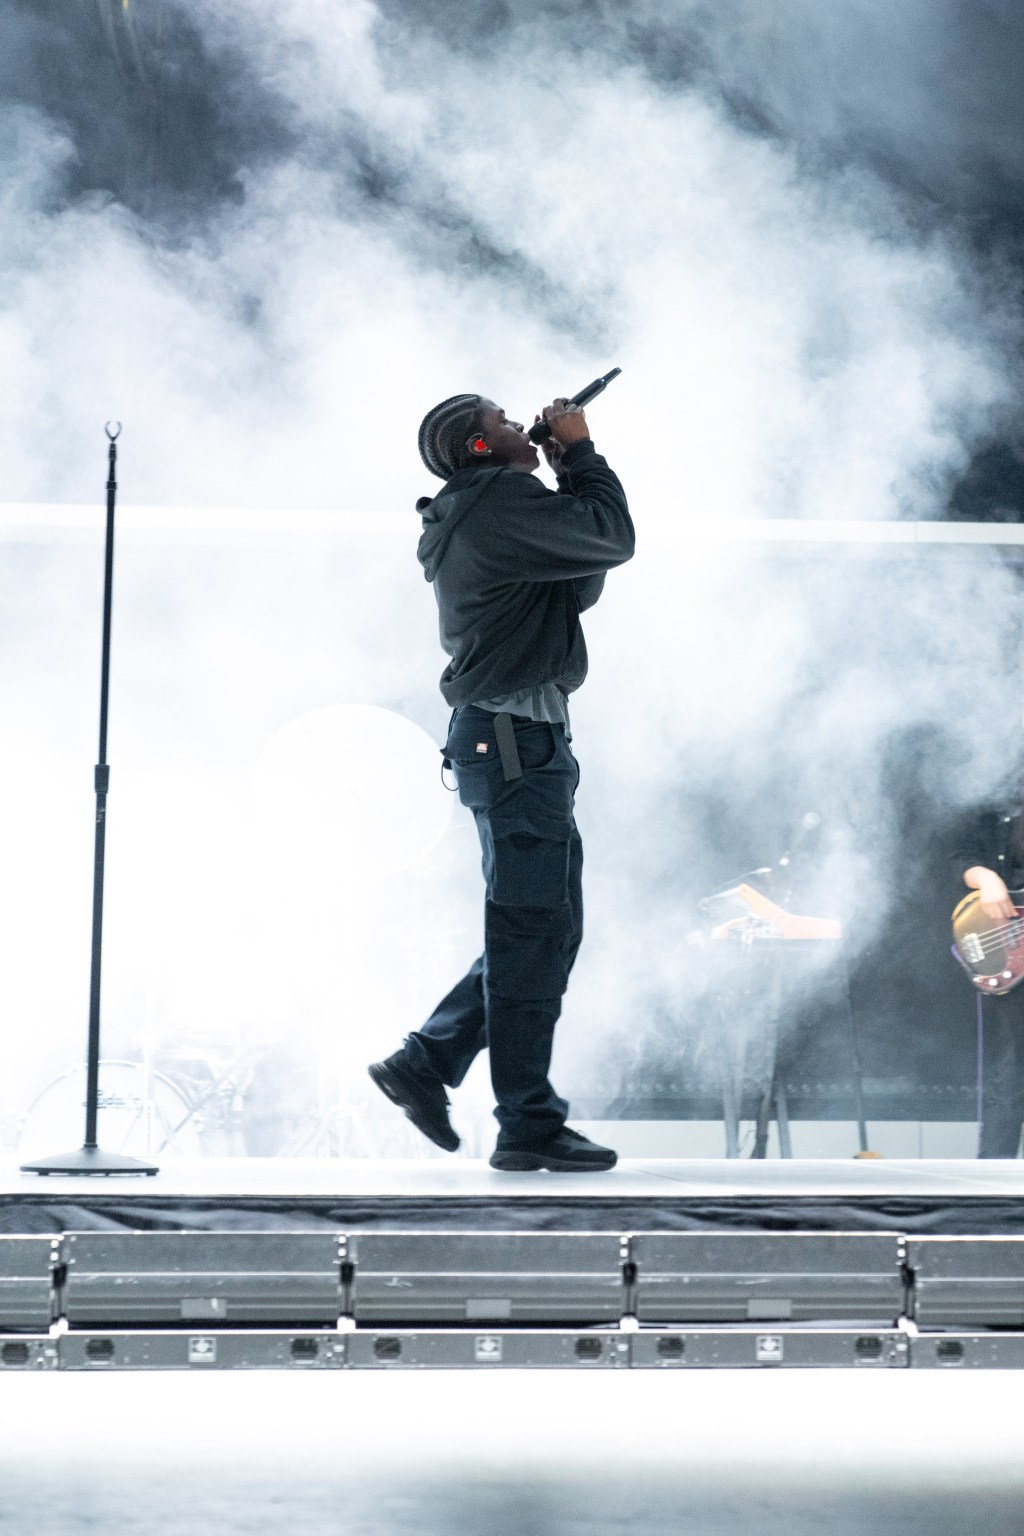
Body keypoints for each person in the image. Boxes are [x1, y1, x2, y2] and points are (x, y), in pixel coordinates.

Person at [369, 392, 634, 1171]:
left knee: (545, 930)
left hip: (519, 745)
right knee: (529, 933)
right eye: (502, 420)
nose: (521, 423)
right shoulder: (496, 503)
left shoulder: (488, 508)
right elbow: (613, 539)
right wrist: (582, 457)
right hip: (517, 746)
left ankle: (429, 1061)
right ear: (479, 448)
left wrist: (559, 475)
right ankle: (525, 1120)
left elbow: (580, 575)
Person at [955, 805, 1024, 1156]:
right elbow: (961, 856)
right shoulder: (994, 795)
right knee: (1008, 1075)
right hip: (1012, 948)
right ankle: (993, 1188)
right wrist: (985, 878)